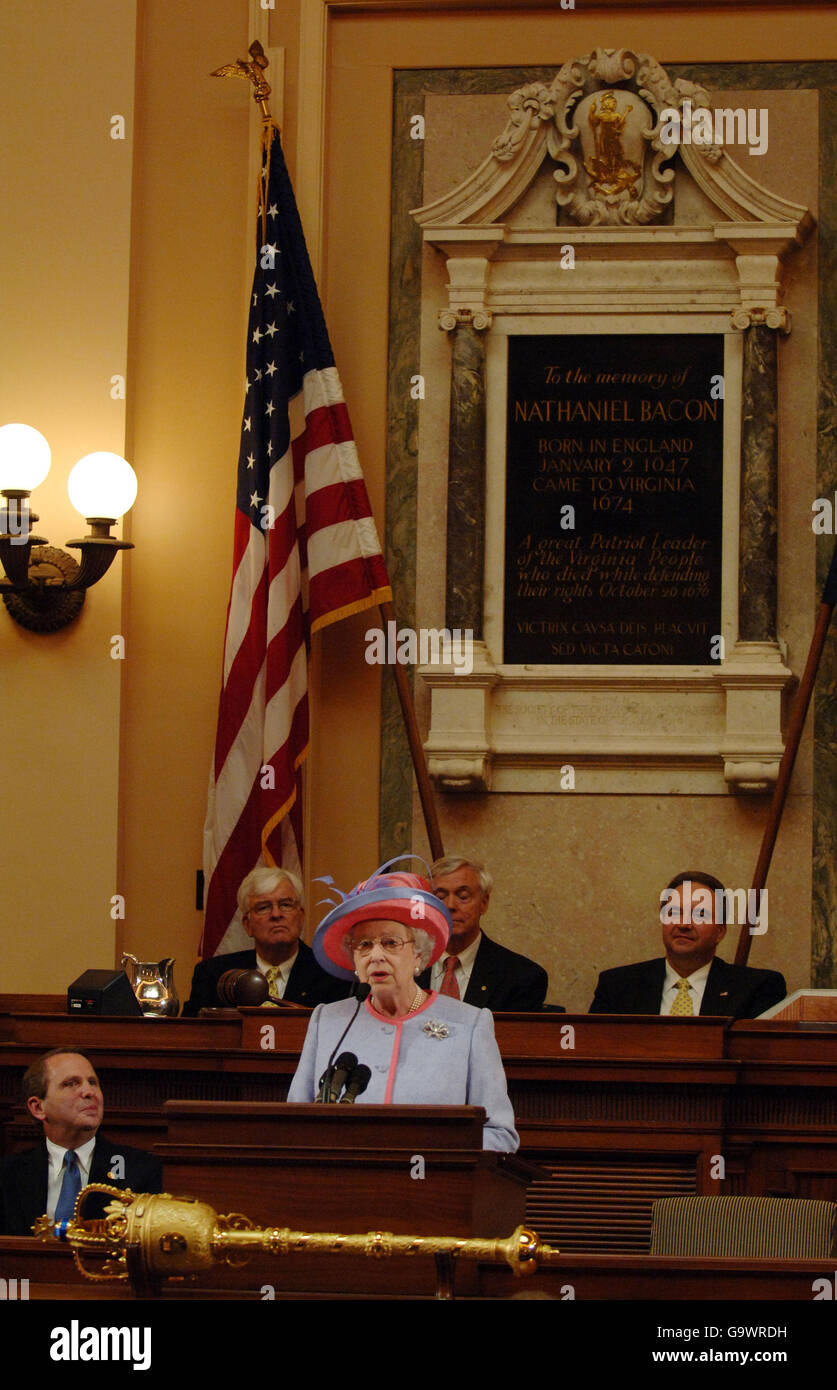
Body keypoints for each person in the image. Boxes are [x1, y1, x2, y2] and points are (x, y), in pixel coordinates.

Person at [287, 869, 519, 1152]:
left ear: (419, 955)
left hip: (432, 1186)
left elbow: (500, 1135)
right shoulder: (328, 1021)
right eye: (364, 945)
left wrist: (429, 1148)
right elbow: (294, 1124)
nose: (376, 955)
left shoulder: (470, 1024)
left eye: (390, 943)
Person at [0, 1049, 163, 1236]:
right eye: (71, 1084)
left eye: (93, 1083)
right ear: (38, 1107)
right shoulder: (7, 1175)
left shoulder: (138, 1169)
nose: (89, 1092)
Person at [589, 870, 787, 1019]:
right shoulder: (617, 986)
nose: (684, 924)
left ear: (720, 932)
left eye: (700, 915)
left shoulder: (757, 989)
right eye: (674, 913)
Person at [183, 866, 350, 1015]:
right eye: (263, 907)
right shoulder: (213, 975)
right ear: (247, 925)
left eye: (286, 905)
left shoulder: (332, 975)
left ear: (301, 917)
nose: (276, 914)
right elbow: (190, 1038)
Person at [416, 855, 548, 1011]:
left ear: (484, 903)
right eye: (440, 897)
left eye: (463, 897)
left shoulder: (522, 977)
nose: (450, 905)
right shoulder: (405, 968)